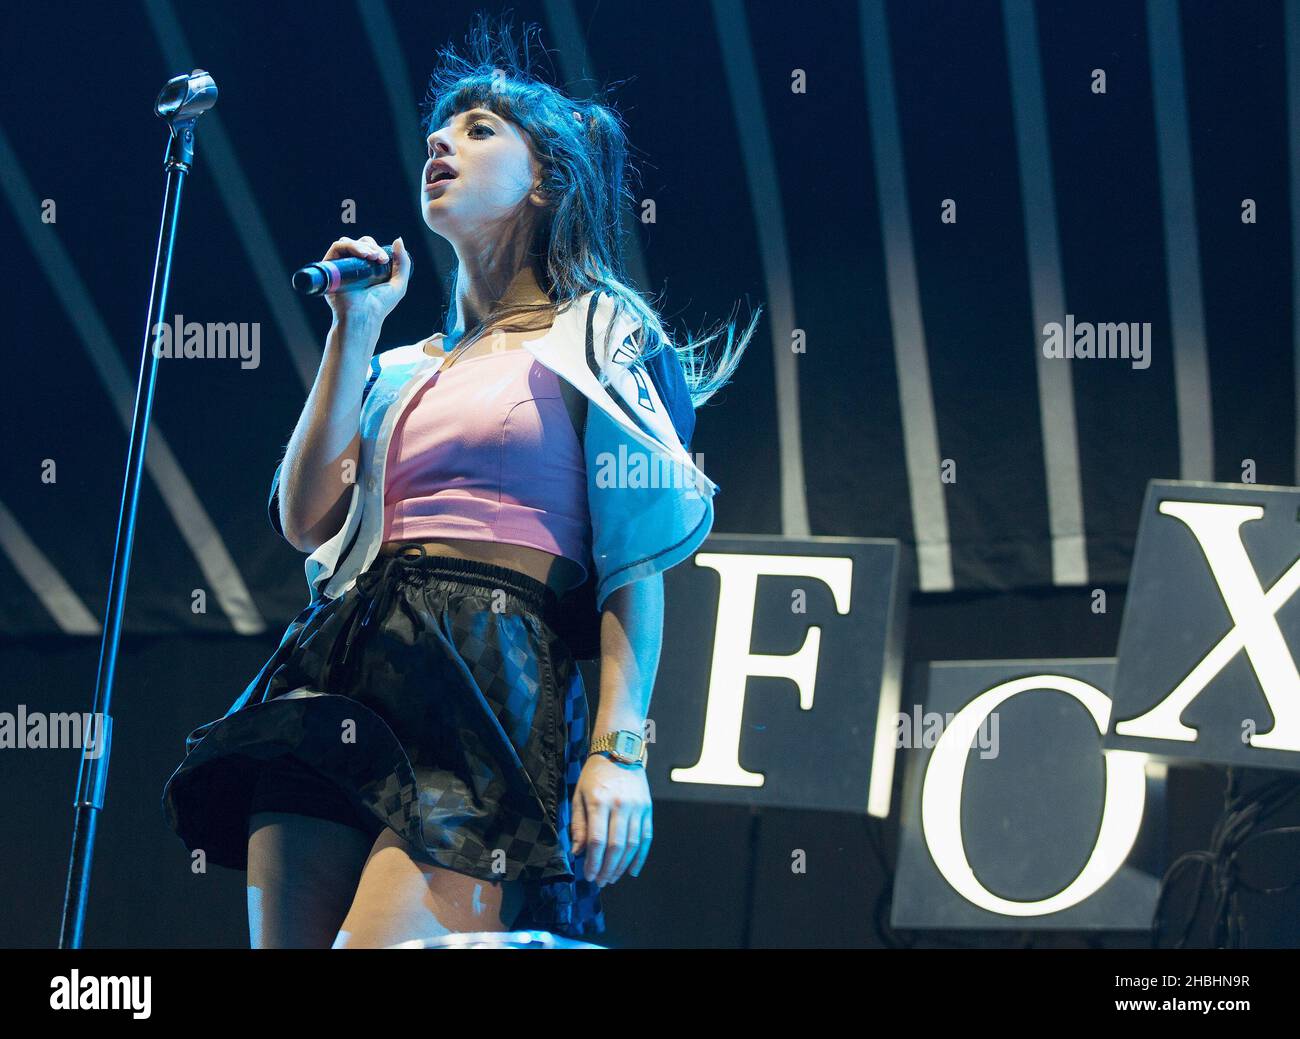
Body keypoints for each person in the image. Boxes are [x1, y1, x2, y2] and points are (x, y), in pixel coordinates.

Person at [161, 13, 761, 949]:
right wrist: (353, 327)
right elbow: (304, 516)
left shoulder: (599, 335)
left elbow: (634, 565)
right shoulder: (401, 364)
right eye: (440, 129)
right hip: (342, 671)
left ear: (546, 179)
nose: (441, 140)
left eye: (481, 129)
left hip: (489, 671)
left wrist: (619, 749)